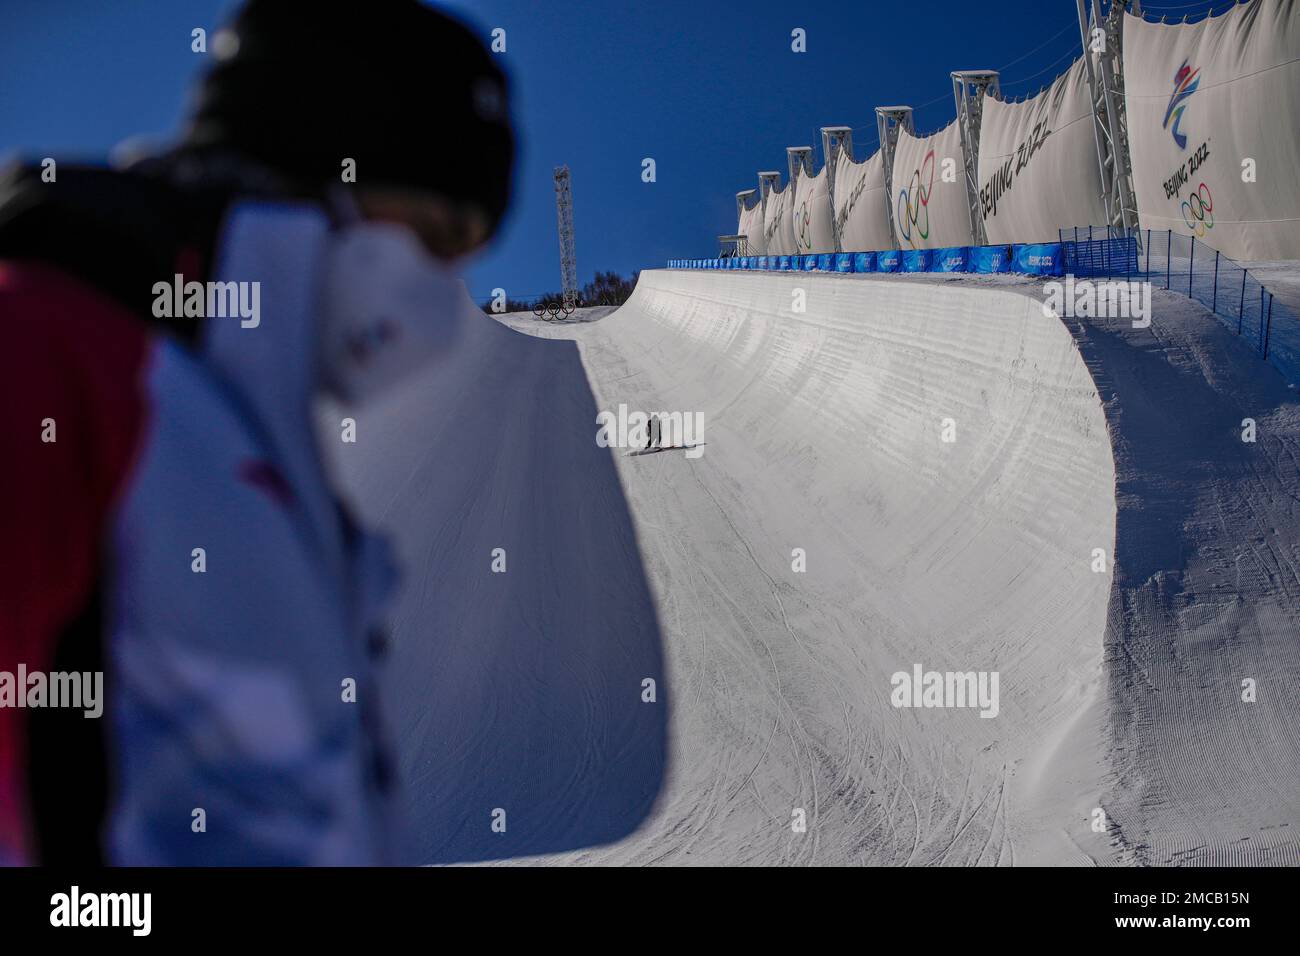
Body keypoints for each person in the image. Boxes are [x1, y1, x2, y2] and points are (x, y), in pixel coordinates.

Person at [0, 0, 514, 865]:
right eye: (432, 235)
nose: (439, 292)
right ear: (325, 171)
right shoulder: (51, 348)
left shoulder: (253, 445)